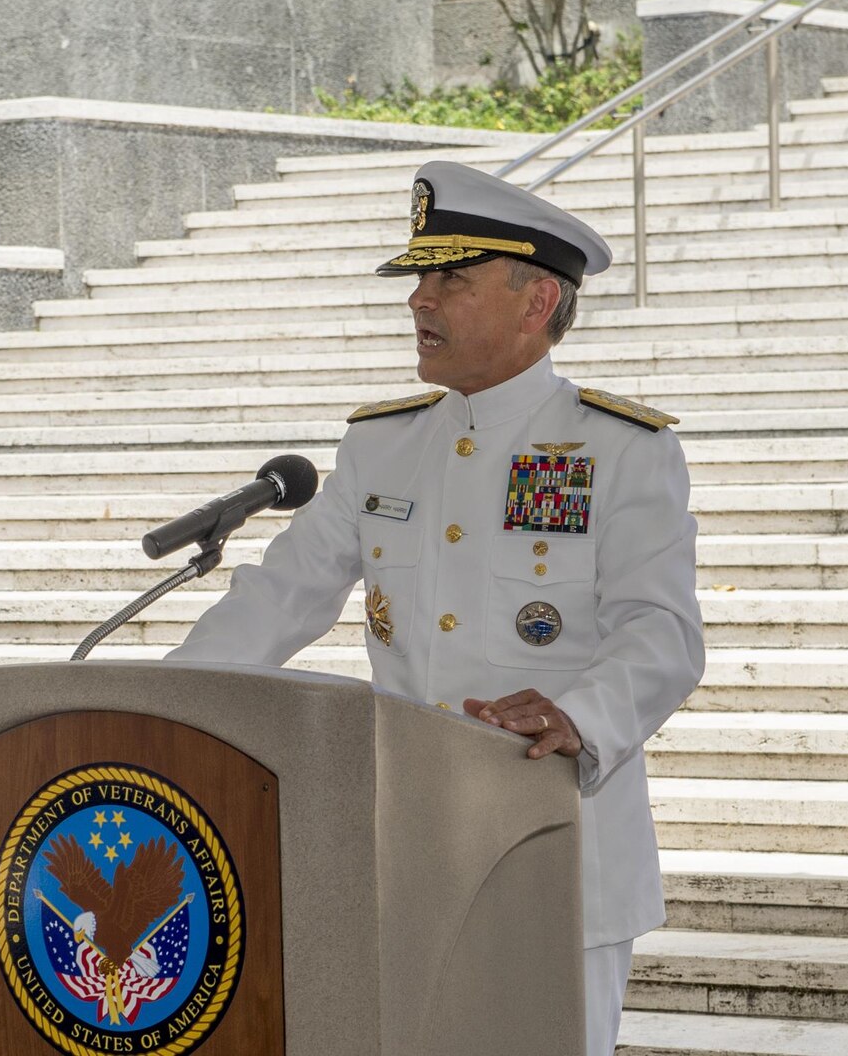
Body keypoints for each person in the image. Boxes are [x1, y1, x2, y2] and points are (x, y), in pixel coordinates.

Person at [166, 160, 705, 1054]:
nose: (421, 298)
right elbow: (279, 595)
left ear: (538, 303)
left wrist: (579, 711)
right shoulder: (384, 446)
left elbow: (664, 632)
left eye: (452, 277)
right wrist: (162, 711)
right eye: (419, 276)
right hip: (405, 853)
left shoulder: (616, 449)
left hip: (558, 851)